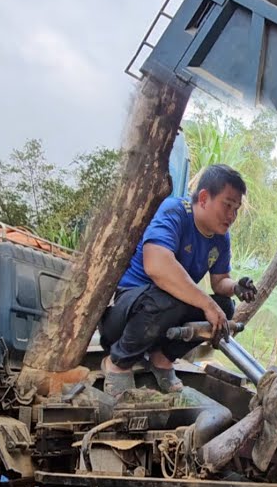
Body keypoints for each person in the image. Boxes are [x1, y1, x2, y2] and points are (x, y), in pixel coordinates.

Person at [99, 164, 257, 397]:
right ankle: (118, 362)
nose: (232, 216)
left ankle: (161, 359)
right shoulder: (176, 211)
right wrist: (206, 304)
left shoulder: (221, 239)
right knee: (173, 299)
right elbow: (157, 265)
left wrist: (235, 287)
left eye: (236, 208)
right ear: (204, 198)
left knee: (226, 307)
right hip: (128, 312)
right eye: (227, 205)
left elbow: (219, 281)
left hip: (164, 313)